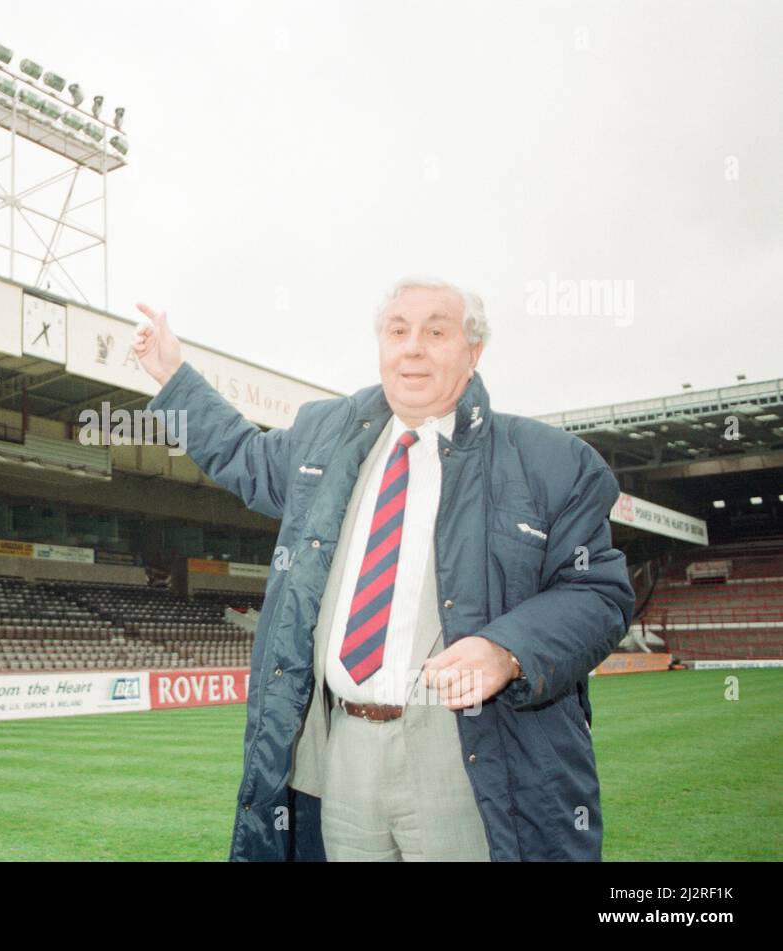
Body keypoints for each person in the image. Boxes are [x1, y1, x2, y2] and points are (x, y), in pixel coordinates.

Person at [133, 277, 635, 861]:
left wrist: (507, 650)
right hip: (344, 751)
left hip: (466, 747)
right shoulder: (327, 436)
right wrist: (174, 377)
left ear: (473, 352)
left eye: (436, 331)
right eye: (398, 331)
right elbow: (243, 455)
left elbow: (598, 593)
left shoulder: (551, 462)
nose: (413, 347)